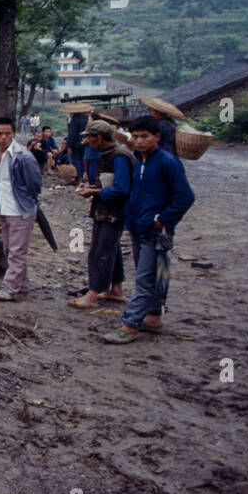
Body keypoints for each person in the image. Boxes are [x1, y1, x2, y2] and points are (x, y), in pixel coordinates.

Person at [103, 116, 195, 343]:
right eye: (135, 136)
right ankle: (153, 318)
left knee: (144, 279)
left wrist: (162, 220)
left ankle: (129, 325)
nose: (139, 141)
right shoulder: (140, 160)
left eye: (145, 136)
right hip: (138, 226)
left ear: (157, 137)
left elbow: (185, 197)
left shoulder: (168, 162)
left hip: (155, 231)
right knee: (151, 275)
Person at [68, 120, 132, 310]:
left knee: (100, 250)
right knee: (112, 248)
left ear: (98, 138)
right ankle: (116, 290)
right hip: (106, 208)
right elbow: (108, 184)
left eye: (89, 137)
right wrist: (92, 188)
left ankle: (93, 294)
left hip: (114, 211)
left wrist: (95, 193)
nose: (87, 141)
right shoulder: (108, 153)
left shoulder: (119, 156)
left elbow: (121, 190)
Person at [0, 116, 42, 302]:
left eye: (7, 133)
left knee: (17, 251)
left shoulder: (23, 156)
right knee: (9, 249)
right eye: (0, 133)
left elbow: (35, 183)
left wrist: (29, 203)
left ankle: (9, 288)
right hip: (4, 208)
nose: (3, 137)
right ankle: (21, 285)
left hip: (20, 210)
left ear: (13, 134)